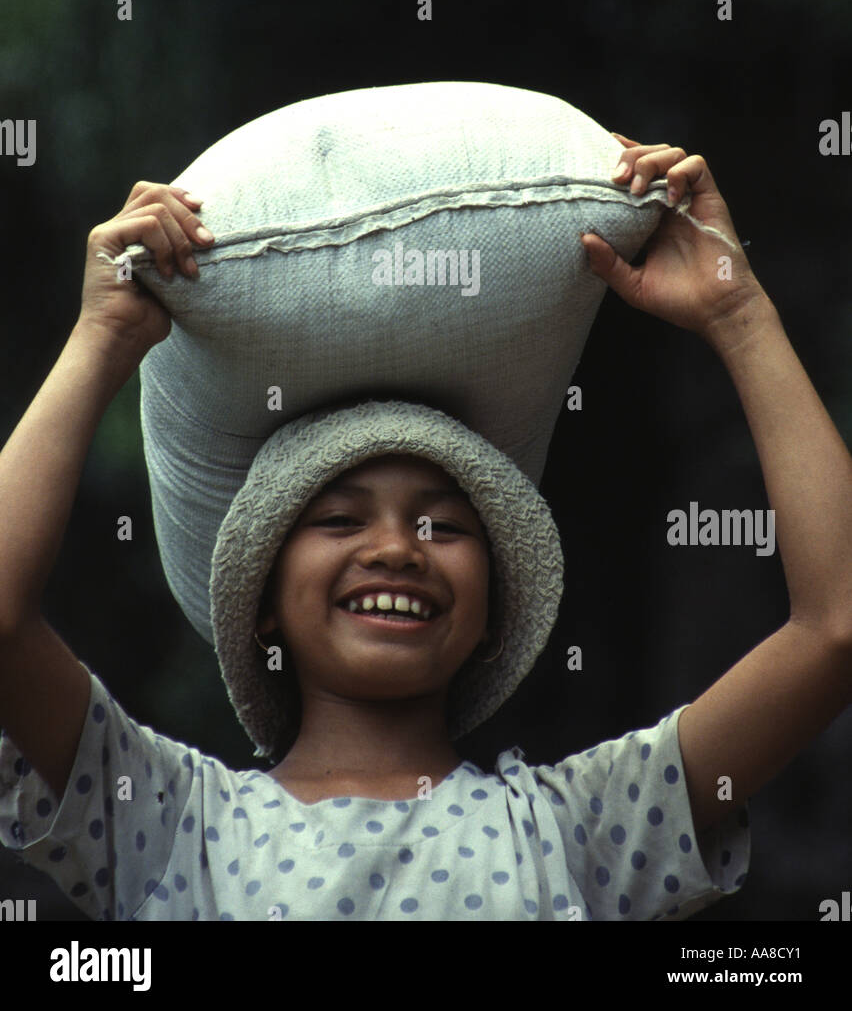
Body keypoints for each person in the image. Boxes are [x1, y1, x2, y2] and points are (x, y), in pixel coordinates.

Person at [0, 139, 849, 922]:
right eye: (338, 519)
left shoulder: (586, 830)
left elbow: (834, 629)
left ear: (495, 605)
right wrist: (101, 336)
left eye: (445, 527)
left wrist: (738, 316)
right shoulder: (164, 820)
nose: (398, 549)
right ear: (260, 597)